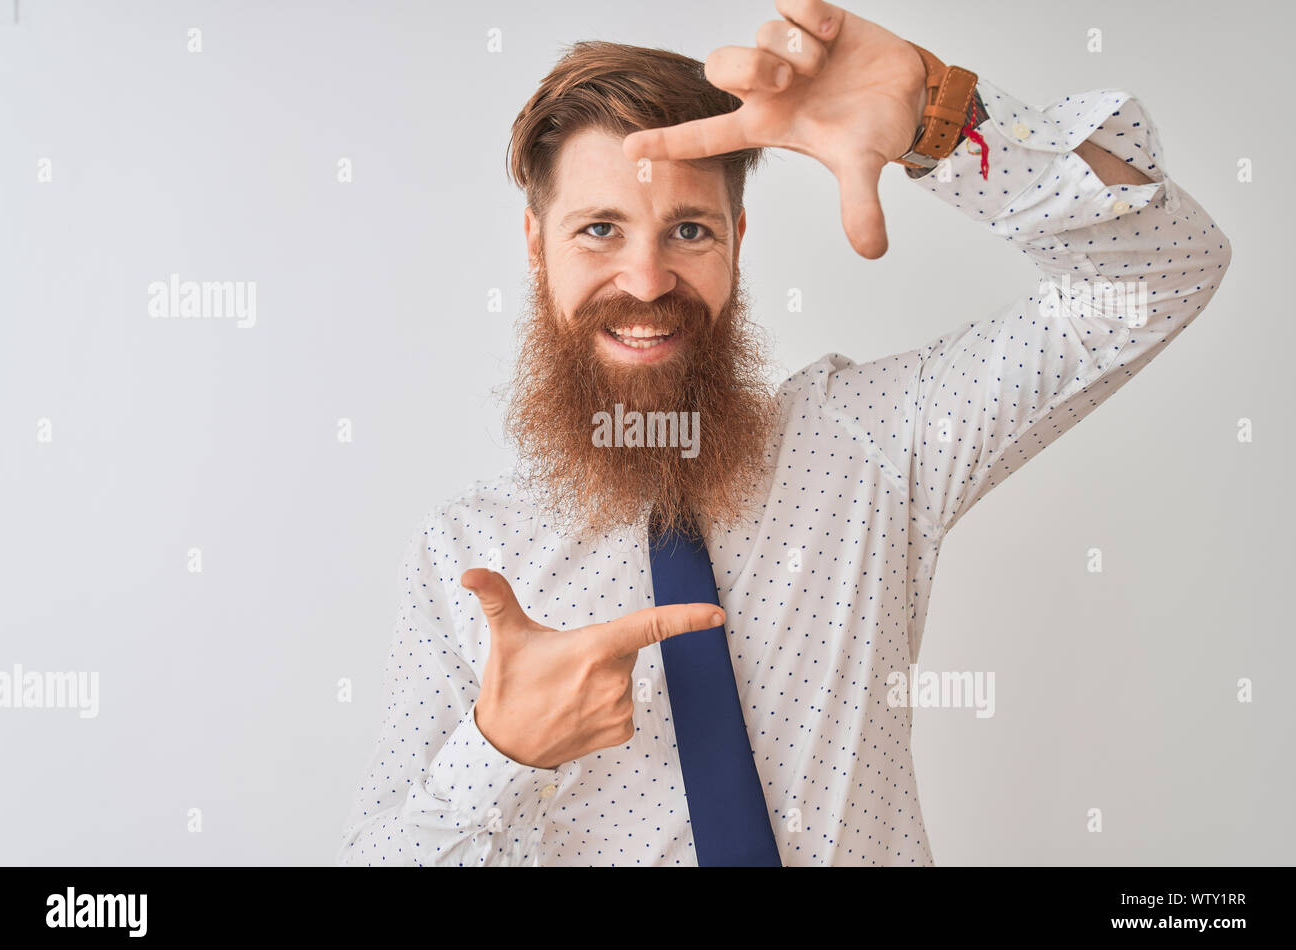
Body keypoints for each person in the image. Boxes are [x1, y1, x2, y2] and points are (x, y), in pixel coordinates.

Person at [336, 0, 1231, 865]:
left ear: (737, 237)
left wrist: (941, 116)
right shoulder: (466, 553)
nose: (646, 280)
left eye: (688, 229)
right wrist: (500, 753)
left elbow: (1159, 278)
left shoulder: (869, 443)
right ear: (536, 246)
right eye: (599, 229)